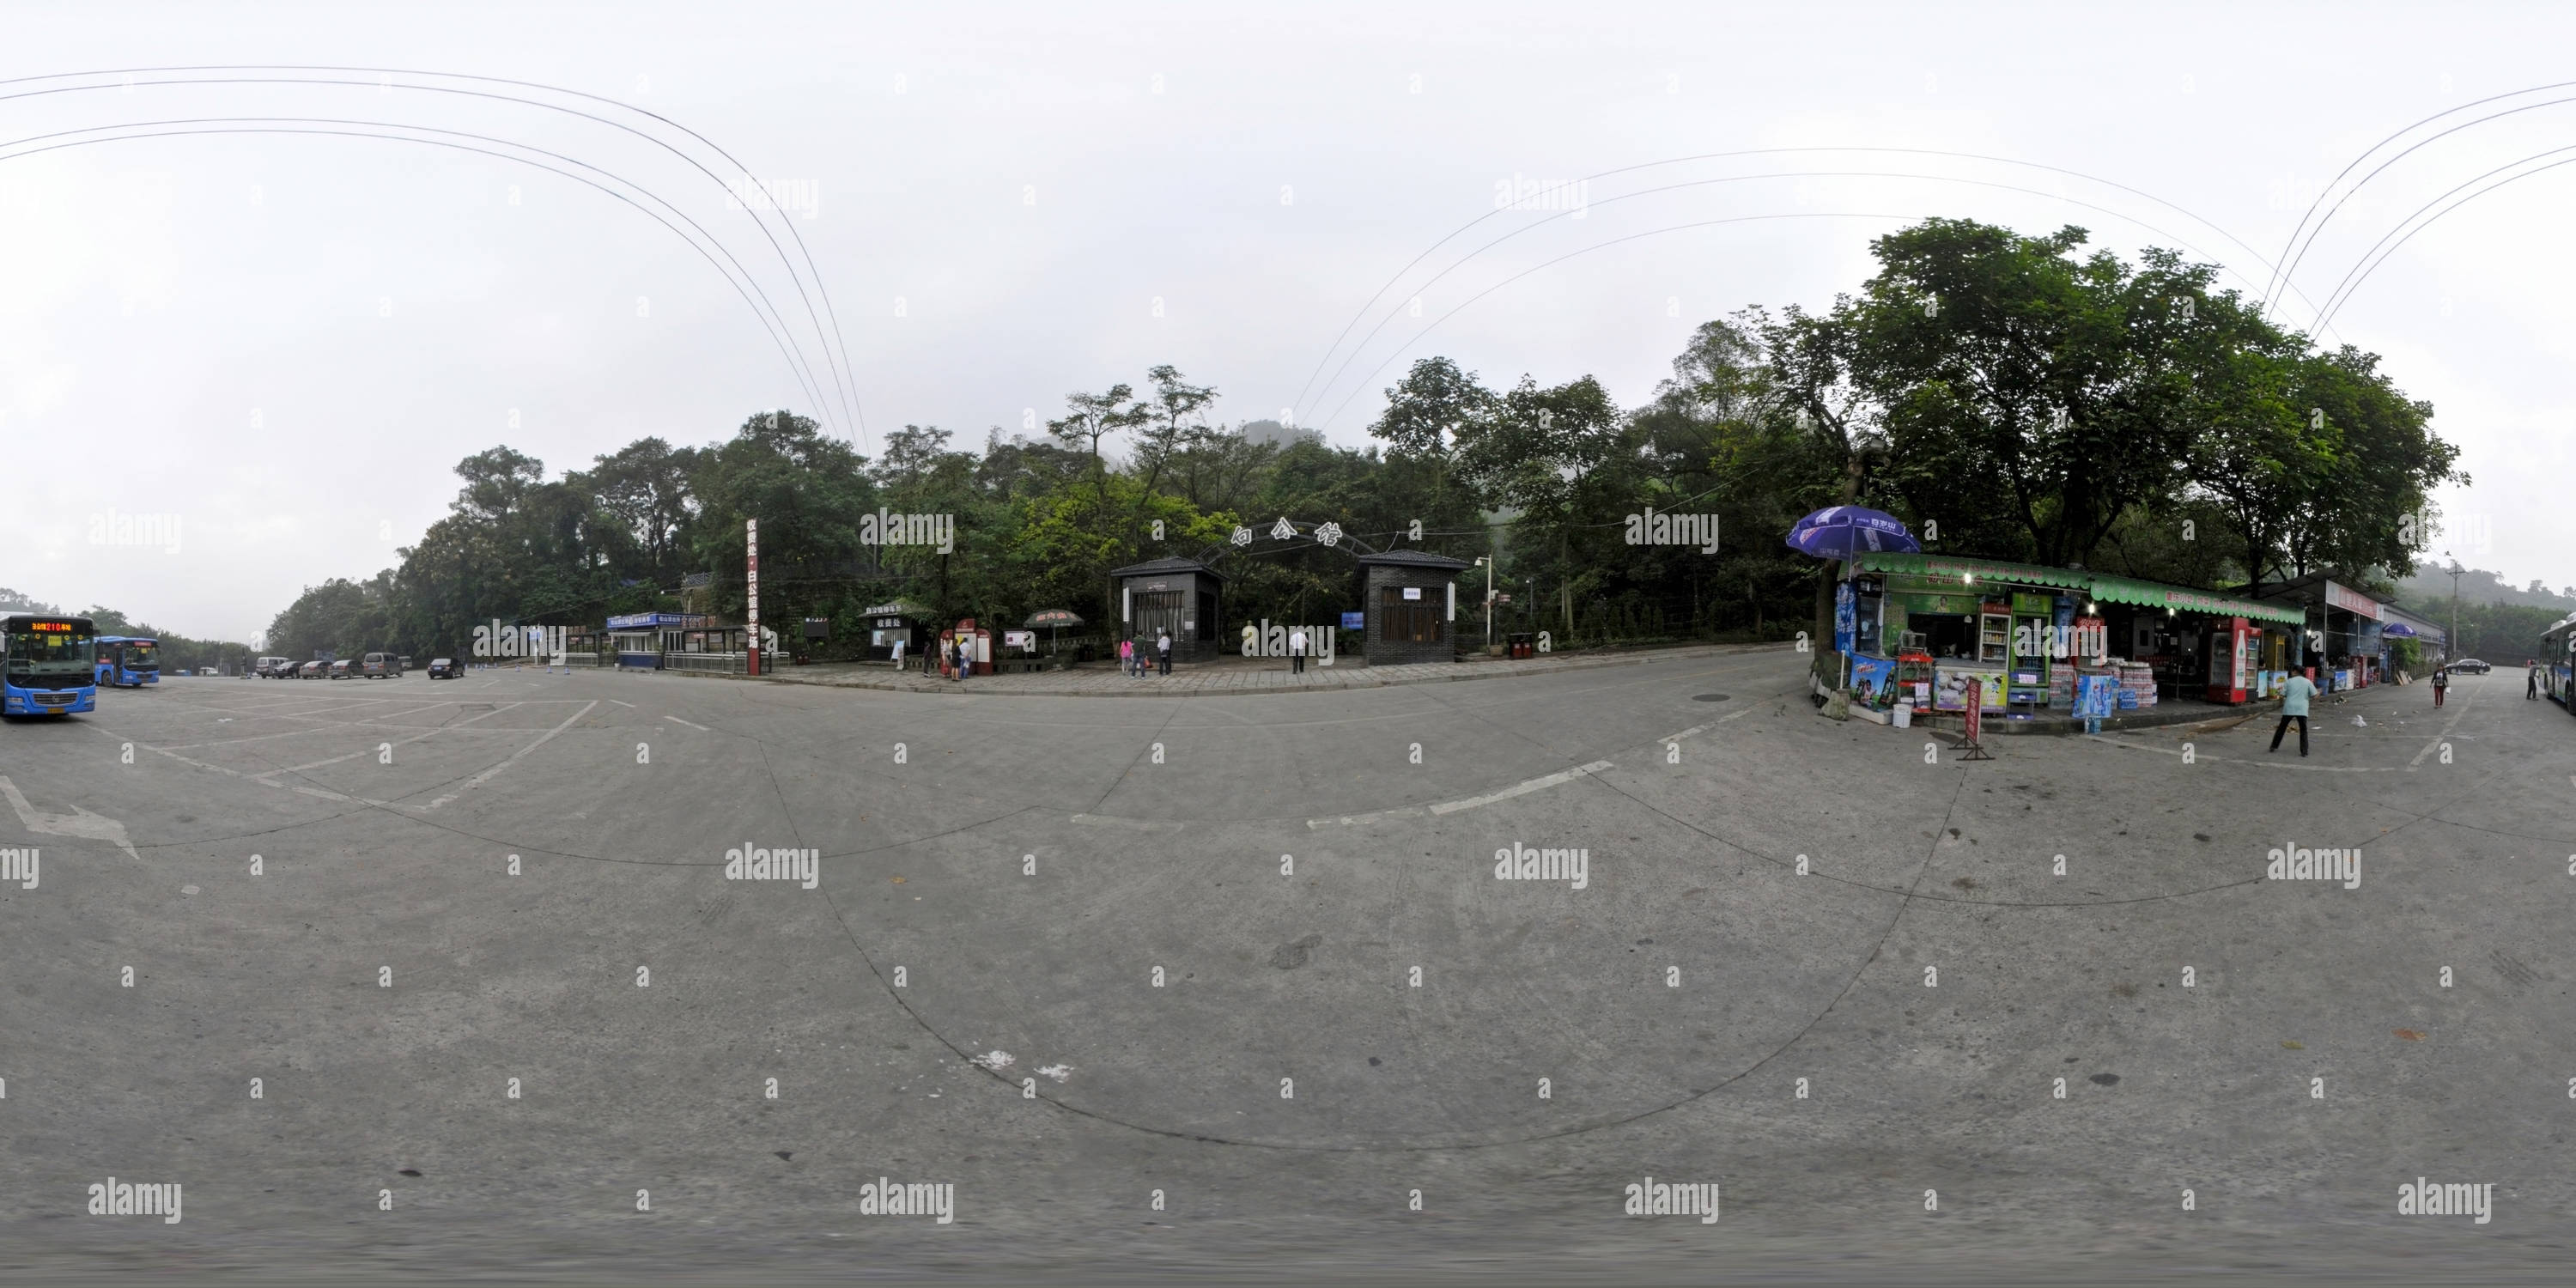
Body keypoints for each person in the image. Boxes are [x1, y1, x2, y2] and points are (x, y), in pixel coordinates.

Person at [2269, 666, 2318, 756]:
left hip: (2289, 707)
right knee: (2303, 730)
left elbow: (2282, 694)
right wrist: (2319, 692)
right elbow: (2314, 696)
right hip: (2302, 709)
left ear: (2295, 671)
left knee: (2282, 728)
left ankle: (2274, 746)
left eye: (2292, 671)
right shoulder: (2308, 682)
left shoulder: (2289, 681)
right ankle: (2304, 751)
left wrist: (2280, 703)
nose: (2291, 673)